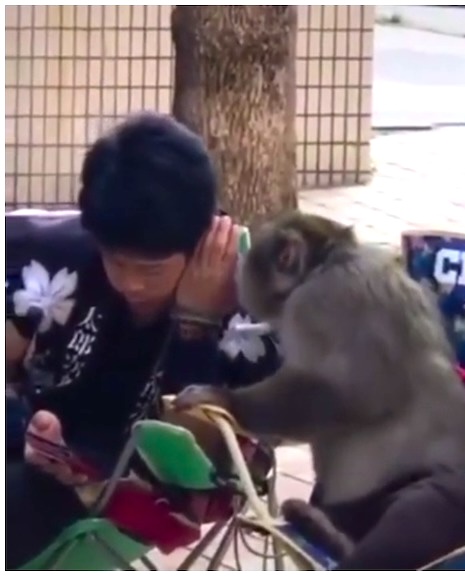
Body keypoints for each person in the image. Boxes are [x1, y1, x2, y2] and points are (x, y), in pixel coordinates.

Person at [4, 113, 281, 569]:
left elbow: (210, 464)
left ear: (199, 240)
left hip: (133, 486)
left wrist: (198, 323)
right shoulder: (65, 253)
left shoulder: (251, 308)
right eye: (116, 262)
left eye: (150, 269)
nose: (130, 283)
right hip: (36, 443)